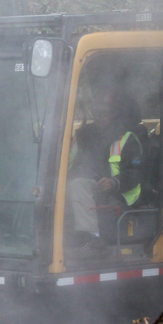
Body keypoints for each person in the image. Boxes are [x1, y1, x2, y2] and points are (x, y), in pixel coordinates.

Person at [67, 91, 145, 254]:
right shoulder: (82, 135)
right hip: (92, 186)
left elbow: (137, 172)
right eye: (97, 111)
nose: (101, 115)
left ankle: (92, 239)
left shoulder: (127, 138)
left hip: (121, 192)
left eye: (106, 111)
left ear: (115, 112)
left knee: (77, 185)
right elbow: (70, 165)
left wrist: (114, 182)